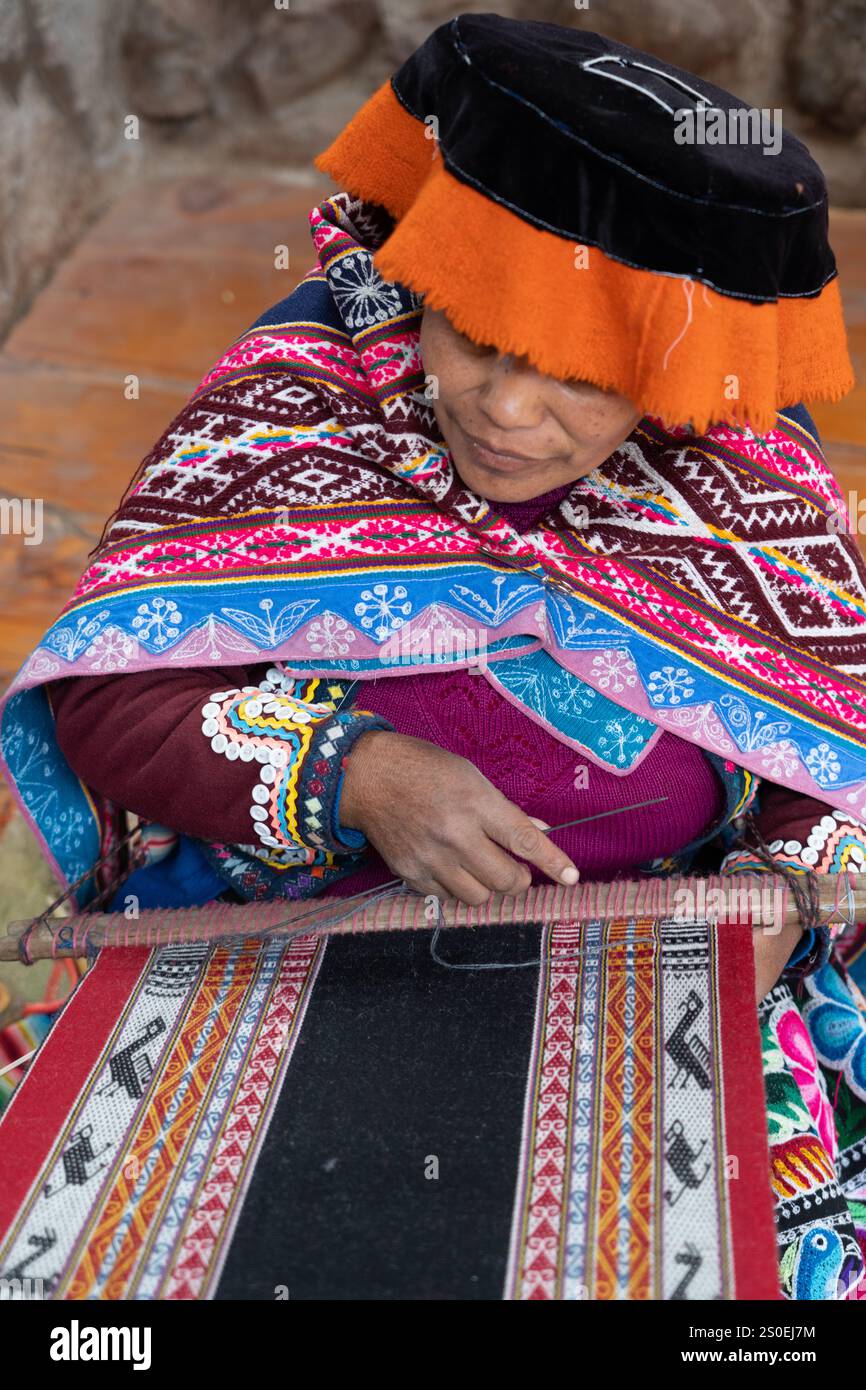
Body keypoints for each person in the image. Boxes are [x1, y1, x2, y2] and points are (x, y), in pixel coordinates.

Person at [3, 15, 866, 1299]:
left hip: (653, 972)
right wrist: (353, 776)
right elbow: (111, 701)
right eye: (471, 333)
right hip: (281, 942)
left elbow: (836, 763)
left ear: (670, 377)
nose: (506, 411)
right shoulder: (294, 411)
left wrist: (770, 911)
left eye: (579, 377)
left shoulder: (750, 494)